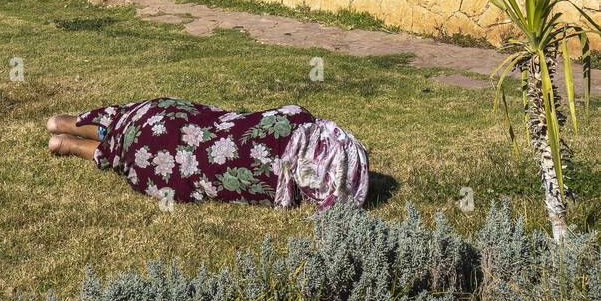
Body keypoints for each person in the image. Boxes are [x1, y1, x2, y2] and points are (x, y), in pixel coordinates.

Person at [46, 99, 369, 210]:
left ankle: (70, 129)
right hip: (179, 146)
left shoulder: (296, 118)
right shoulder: (278, 183)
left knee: (144, 127)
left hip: (182, 131)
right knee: (144, 140)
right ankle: (71, 139)